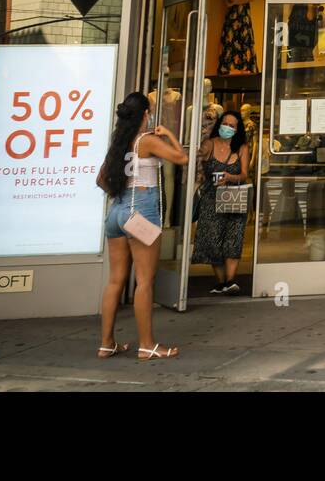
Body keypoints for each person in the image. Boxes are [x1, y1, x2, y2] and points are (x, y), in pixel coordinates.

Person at [96, 92, 188, 360]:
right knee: (145, 282)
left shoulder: (120, 143)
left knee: (115, 280)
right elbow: (181, 158)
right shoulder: (146, 141)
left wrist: (121, 197)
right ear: (145, 114)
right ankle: (147, 344)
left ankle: (106, 343)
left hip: (117, 213)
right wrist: (168, 133)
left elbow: (102, 179)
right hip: (141, 212)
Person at [193, 110, 252, 294]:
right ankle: (221, 283)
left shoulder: (241, 147)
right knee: (212, 240)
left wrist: (230, 177)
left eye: (232, 125)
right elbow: (196, 162)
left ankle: (230, 280)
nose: (227, 127)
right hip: (211, 198)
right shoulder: (209, 144)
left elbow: (244, 174)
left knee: (233, 239)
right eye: (225, 123)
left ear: (237, 129)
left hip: (234, 197)